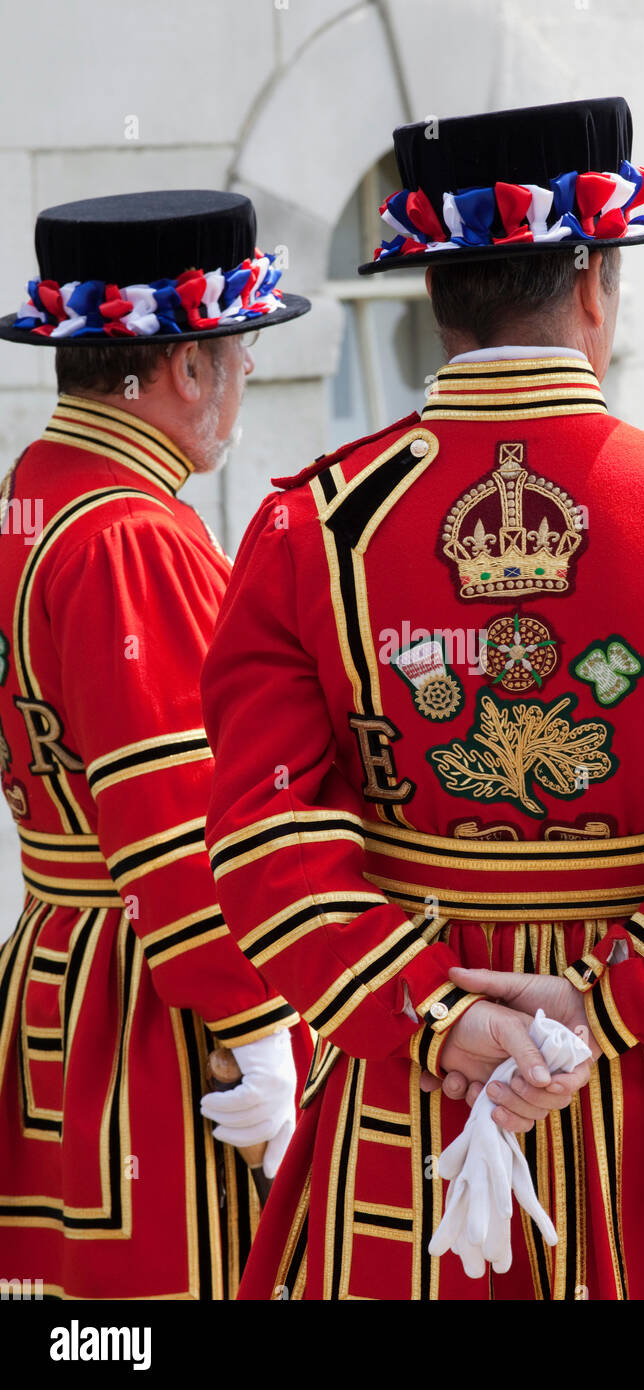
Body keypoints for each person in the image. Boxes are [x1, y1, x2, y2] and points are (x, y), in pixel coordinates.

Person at [201, 100, 644, 1300]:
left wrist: (439, 1017)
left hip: (417, 1085)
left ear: (434, 297)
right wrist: (609, 1004)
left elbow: (262, 837)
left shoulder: (307, 530)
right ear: (596, 282)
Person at [0, 190, 313, 1299]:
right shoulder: (134, 532)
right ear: (186, 367)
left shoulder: (36, 491)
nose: (245, 380)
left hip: (66, 962)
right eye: (239, 352)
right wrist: (263, 1024)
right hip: (164, 1006)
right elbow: (186, 828)